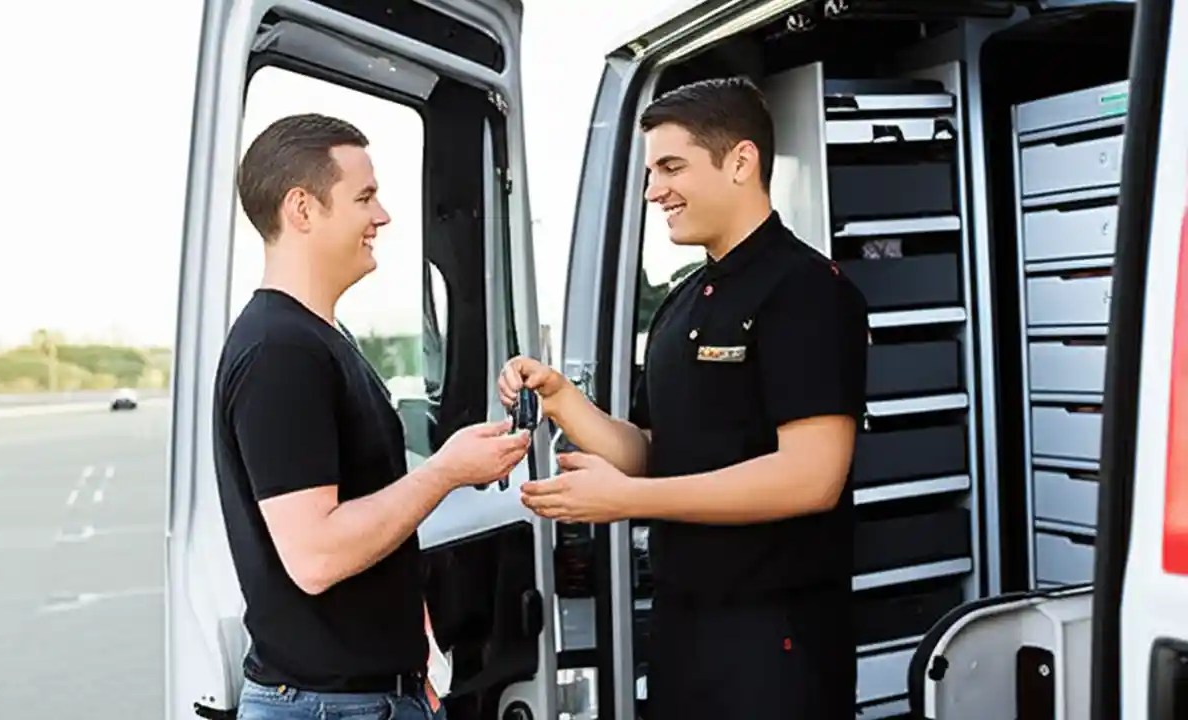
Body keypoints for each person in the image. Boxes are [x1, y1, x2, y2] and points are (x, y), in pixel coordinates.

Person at [499, 78, 868, 719]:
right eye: (650, 171)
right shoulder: (682, 302)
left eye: (671, 167)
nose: (653, 191)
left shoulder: (806, 293)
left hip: (776, 643)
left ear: (740, 163)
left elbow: (813, 477)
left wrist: (629, 501)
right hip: (683, 633)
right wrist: (562, 400)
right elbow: (653, 452)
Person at [214, 113, 531, 720]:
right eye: (364, 197)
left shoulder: (321, 338)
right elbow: (317, 555)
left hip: (368, 698)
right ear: (302, 209)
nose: (382, 216)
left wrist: (418, 658)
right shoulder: (281, 351)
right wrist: (443, 472)